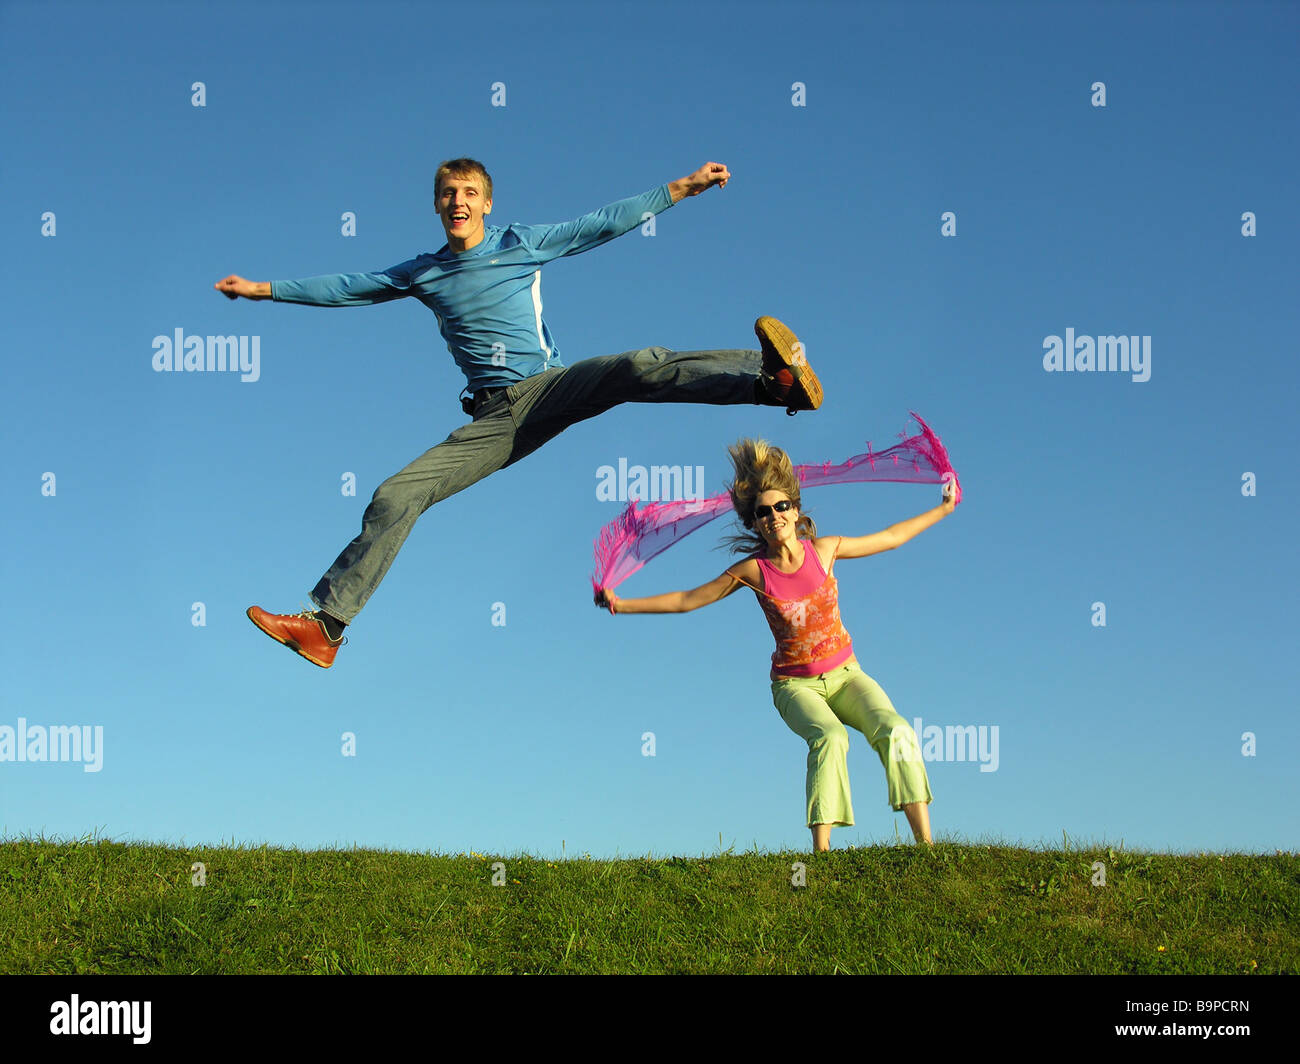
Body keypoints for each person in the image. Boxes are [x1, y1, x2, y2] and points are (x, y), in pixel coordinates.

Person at [215, 158, 823, 668]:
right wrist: (264, 290)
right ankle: (327, 627)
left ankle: (771, 381)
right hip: (494, 422)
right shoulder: (423, 272)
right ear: (436, 205)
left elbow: (599, 225)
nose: (459, 201)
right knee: (393, 495)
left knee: (636, 367)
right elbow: (351, 285)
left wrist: (680, 189)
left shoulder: (518, 242)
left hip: (546, 387)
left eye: (470, 192)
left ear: (486, 204)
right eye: (448, 193)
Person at [596, 439, 956, 852]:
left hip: (846, 675)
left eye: (781, 507)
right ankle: (821, 855)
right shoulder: (753, 571)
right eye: (763, 512)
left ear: (796, 510)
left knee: (896, 730)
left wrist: (943, 508)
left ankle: (926, 847)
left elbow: (891, 537)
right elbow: (687, 600)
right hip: (795, 687)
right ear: (755, 523)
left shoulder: (826, 550)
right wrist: (621, 606)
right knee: (831, 738)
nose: (773, 516)